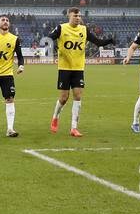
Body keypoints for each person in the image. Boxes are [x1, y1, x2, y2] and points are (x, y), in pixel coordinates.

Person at [46, 7, 116, 137]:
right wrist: (55, 48)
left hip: (78, 68)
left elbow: (97, 42)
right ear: (69, 16)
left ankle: (74, 128)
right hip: (64, 68)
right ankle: (55, 117)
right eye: (75, 16)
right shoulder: (61, 28)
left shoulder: (84, 30)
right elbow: (48, 39)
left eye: (79, 16)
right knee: (64, 98)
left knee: (77, 96)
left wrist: (109, 40)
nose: (78, 18)